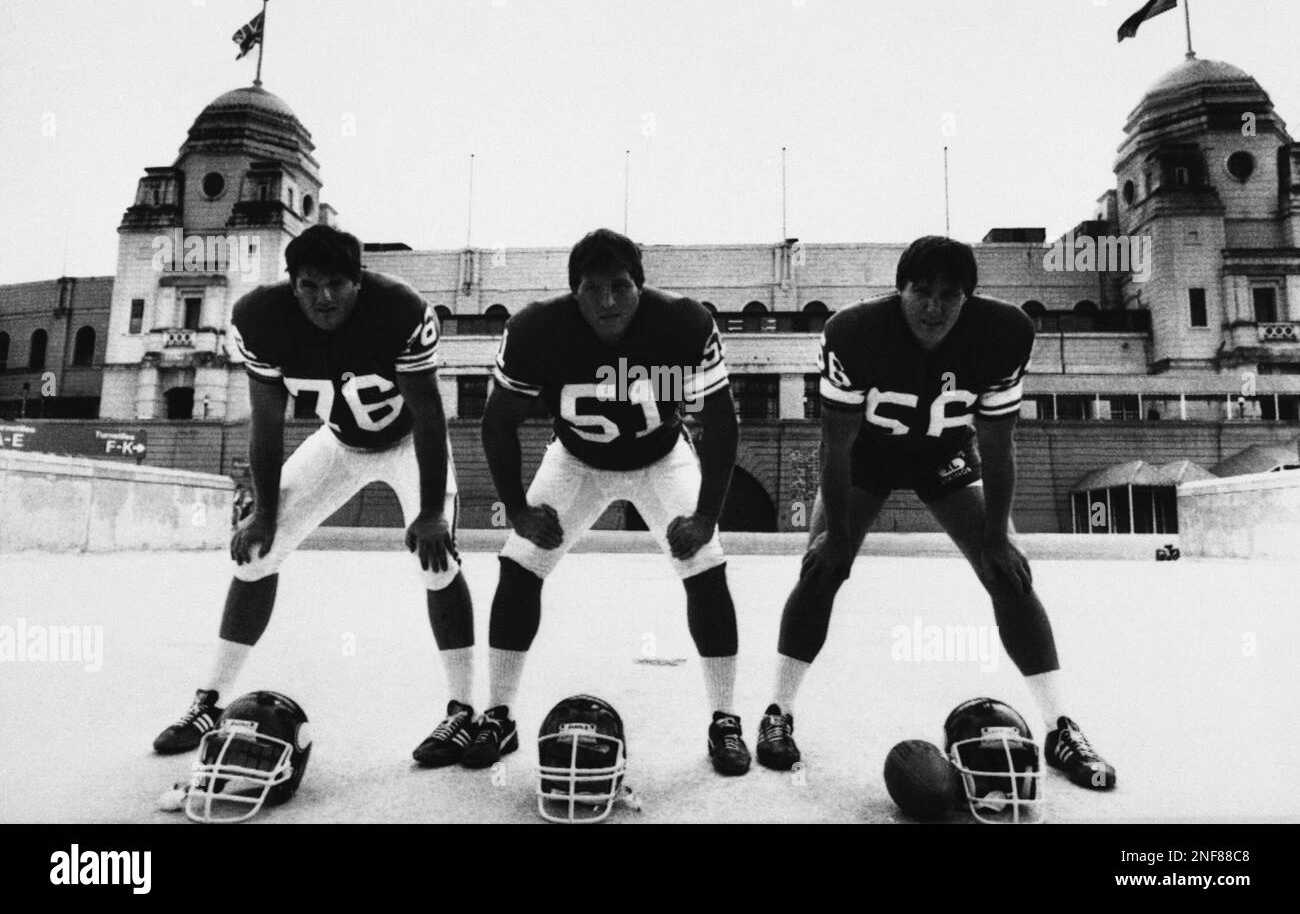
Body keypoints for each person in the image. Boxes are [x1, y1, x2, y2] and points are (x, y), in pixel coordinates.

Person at [755, 236, 1117, 791]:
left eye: (949, 295)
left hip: (944, 454)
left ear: (968, 299)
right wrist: (837, 538)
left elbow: (999, 447)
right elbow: (834, 444)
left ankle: (1060, 726)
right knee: (823, 567)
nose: (933, 306)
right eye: (921, 291)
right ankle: (777, 712)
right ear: (899, 289)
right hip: (865, 457)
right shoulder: (854, 334)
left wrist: (997, 536)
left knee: (1009, 573)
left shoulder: (1004, 335)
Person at [152, 224, 478, 769]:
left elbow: (427, 412)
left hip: (406, 440)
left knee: (436, 561)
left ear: (359, 280)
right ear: (292, 283)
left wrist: (427, 513)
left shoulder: (400, 308)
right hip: (339, 441)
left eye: (336, 284)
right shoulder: (260, 317)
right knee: (258, 553)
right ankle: (210, 700)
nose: (323, 297)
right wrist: (263, 511)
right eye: (309, 285)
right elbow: (266, 424)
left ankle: (464, 709)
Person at [472, 228, 750, 775]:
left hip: (661, 455)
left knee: (705, 565)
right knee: (519, 565)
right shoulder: (534, 329)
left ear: (640, 288)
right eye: (592, 288)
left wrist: (706, 515)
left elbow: (722, 422)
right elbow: (496, 421)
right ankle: (499, 713)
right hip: (576, 458)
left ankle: (725, 718)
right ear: (572, 292)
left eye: (620, 286)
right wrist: (519, 510)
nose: (608, 301)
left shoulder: (685, 323)